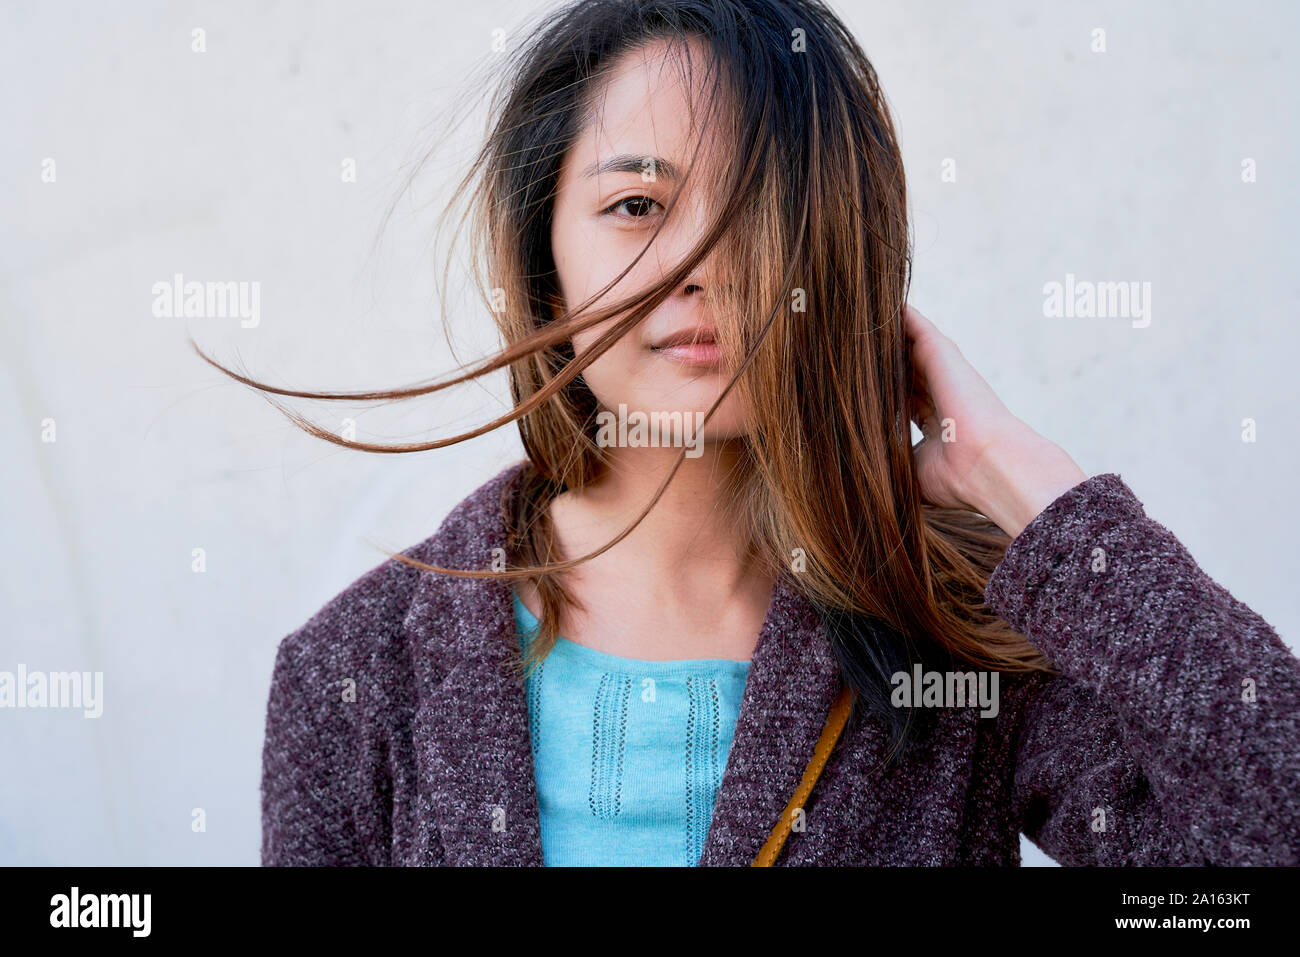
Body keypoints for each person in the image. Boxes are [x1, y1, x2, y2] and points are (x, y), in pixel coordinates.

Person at [197, 0, 1300, 865]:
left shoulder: (951, 636)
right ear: (544, 257)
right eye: (635, 206)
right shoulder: (356, 675)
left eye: (763, 212)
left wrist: (1031, 493)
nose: (700, 269)